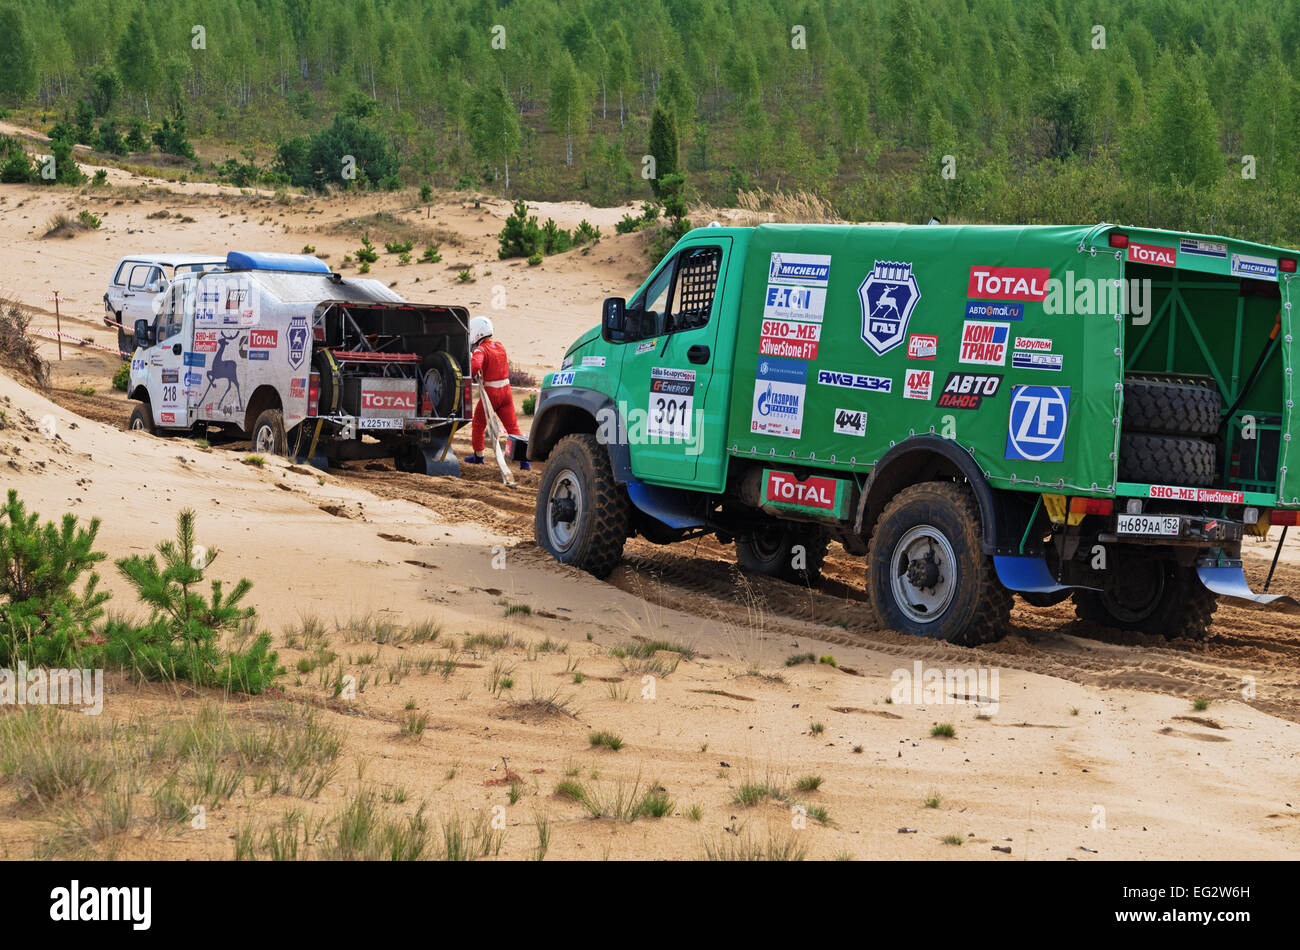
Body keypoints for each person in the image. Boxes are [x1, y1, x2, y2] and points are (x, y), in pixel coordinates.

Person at [466, 315, 528, 469]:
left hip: (491, 393)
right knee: (512, 427)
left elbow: (475, 366)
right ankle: (524, 461)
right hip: (506, 392)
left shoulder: (481, 349)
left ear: (477, 333)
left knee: (478, 424)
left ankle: (478, 457)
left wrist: (470, 377)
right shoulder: (499, 346)